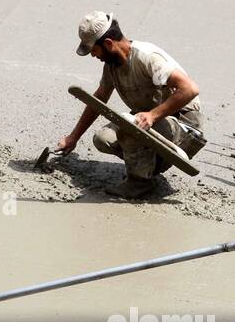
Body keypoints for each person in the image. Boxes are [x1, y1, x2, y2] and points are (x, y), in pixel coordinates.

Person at [55, 11, 205, 198]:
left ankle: (140, 183)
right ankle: (147, 166)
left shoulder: (147, 57)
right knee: (103, 139)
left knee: (129, 128)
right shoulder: (111, 66)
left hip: (183, 124)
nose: (93, 55)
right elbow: (99, 99)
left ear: (108, 43)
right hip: (151, 120)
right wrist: (73, 137)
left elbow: (190, 89)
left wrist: (152, 115)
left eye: (94, 50)